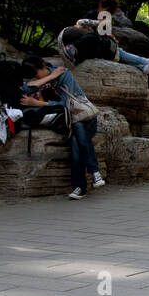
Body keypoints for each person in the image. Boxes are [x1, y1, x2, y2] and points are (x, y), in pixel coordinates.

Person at [22, 55, 105, 199]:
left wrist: (37, 103)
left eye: (36, 74)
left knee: (76, 137)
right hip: (66, 122)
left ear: (43, 66)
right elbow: (24, 89)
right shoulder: (38, 79)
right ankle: (94, 172)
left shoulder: (63, 74)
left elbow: (65, 103)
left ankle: (80, 187)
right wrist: (47, 78)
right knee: (76, 131)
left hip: (84, 117)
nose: (34, 78)